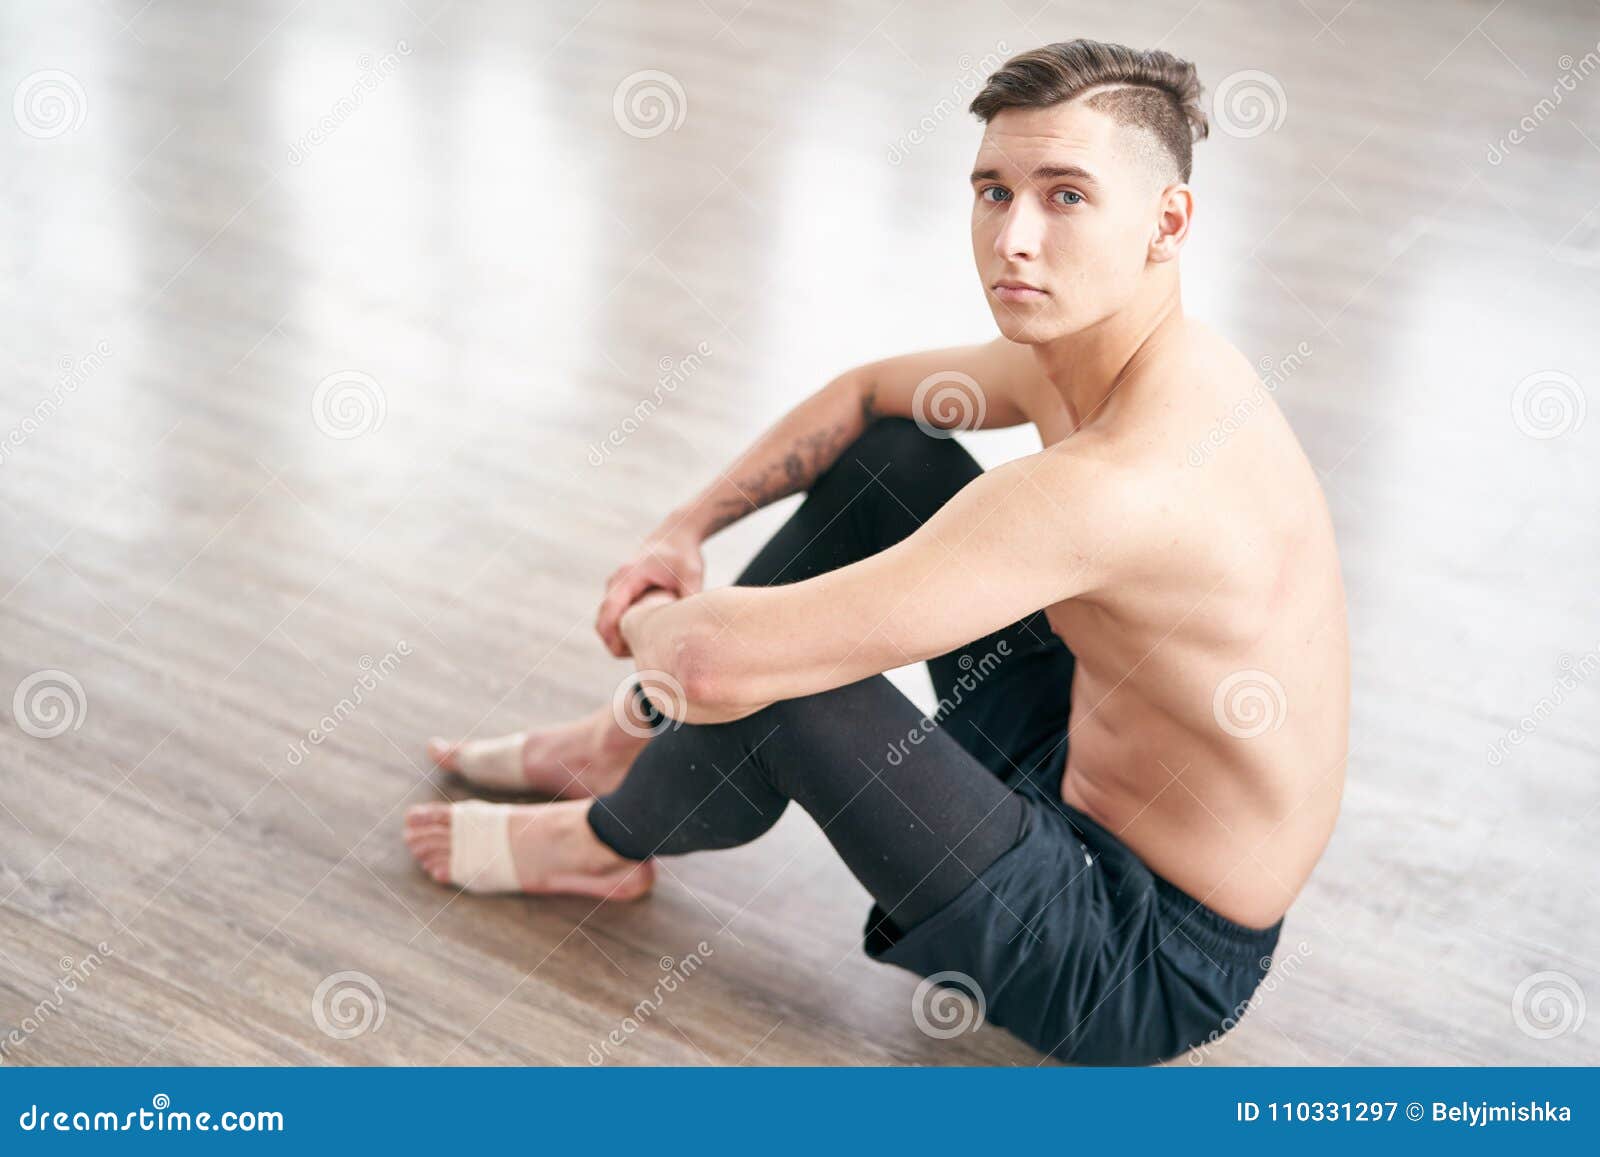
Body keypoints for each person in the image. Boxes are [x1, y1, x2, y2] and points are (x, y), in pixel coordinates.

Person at [403, 38, 1349, 1065]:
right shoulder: (1110, 355)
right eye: (993, 191)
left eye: (1065, 196)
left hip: (1139, 952)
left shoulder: (1123, 478)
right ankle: (618, 739)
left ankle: (602, 838)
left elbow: (713, 659)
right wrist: (679, 530)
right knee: (894, 458)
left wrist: (651, 633)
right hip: (1073, 757)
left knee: (781, 675)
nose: (1013, 239)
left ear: (1167, 223)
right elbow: (867, 394)